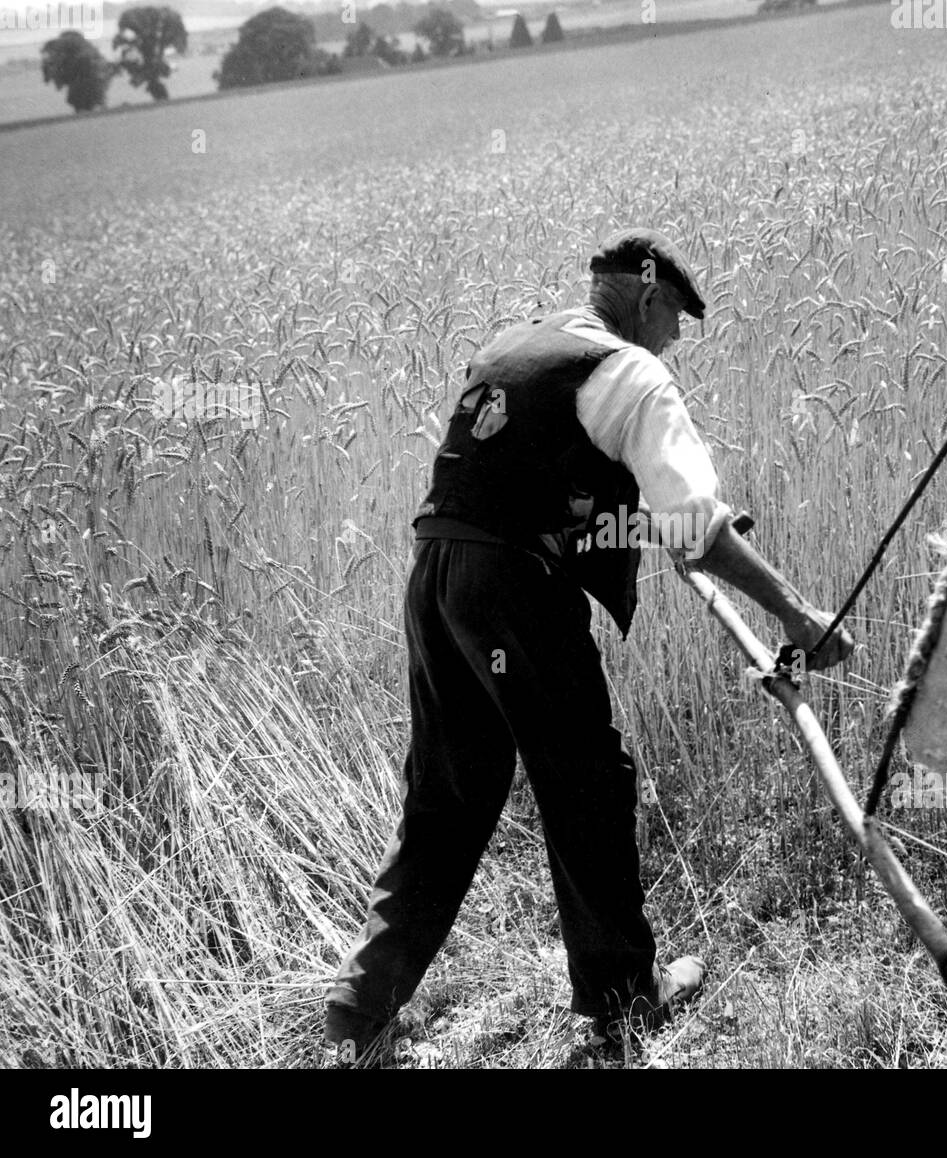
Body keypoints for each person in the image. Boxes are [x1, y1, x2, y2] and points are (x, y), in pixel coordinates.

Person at [323, 227, 855, 1059]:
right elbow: (694, 528)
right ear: (647, 293)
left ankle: (361, 1005)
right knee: (587, 781)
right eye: (675, 316)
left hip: (436, 578)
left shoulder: (515, 345)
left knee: (447, 796)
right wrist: (797, 616)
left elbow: (535, 476)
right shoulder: (632, 372)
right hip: (514, 591)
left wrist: (648, 521)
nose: (675, 337)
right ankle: (625, 997)